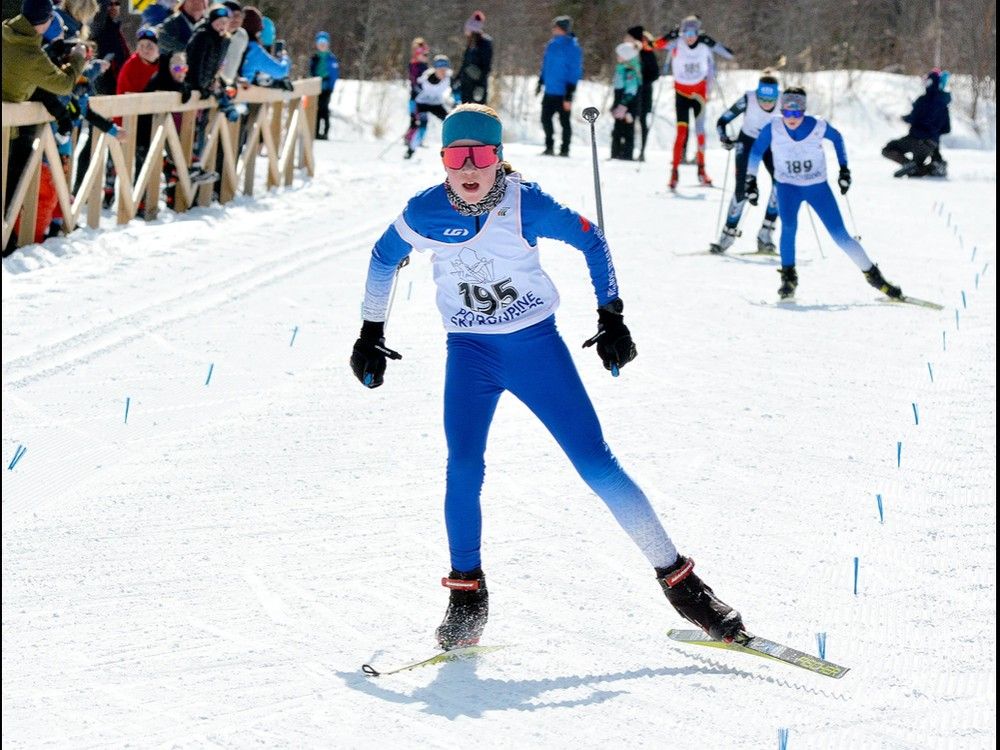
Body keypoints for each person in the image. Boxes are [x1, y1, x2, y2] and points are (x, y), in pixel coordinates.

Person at [350, 103, 747, 650]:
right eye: (456, 156)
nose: (469, 167)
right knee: (462, 468)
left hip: (536, 349)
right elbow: (380, 257)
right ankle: (467, 595)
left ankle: (683, 584)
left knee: (596, 464)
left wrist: (612, 315)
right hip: (469, 354)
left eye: (482, 154)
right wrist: (370, 331)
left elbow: (592, 239)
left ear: (499, 158)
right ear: (442, 160)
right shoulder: (422, 212)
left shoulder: (525, 204)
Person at [746, 87, 904, 301]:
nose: (791, 118)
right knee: (789, 228)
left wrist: (844, 170)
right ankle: (788, 278)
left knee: (840, 235)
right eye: (787, 113)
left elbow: (838, 139)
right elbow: (755, 152)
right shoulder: (773, 127)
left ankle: (875, 278)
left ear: (804, 111)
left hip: (817, 188)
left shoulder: (817, 126)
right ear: (781, 110)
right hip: (787, 188)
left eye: (797, 113)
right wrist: (750, 181)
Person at [3, 0, 86, 255]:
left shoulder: (6, 32)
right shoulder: (30, 54)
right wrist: (77, 61)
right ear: (46, 21)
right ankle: (6, 242)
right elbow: (63, 85)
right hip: (9, 130)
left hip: (9, 122)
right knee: (10, 187)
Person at [656, 15, 733, 188]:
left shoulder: (704, 45)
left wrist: (712, 42)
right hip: (681, 94)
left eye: (693, 33)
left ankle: (702, 171)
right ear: (681, 33)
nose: (690, 36)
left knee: (700, 132)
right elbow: (654, 46)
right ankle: (674, 173)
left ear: (698, 33)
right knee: (681, 134)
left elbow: (729, 54)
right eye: (686, 32)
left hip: (699, 94)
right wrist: (670, 36)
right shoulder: (677, 43)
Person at [710, 72, 781, 254]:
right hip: (747, 143)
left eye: (770, 100)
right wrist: (724, 138)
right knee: (743, 188)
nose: (766, 103)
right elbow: (722, 121)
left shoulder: (784, 101)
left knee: (781, 185)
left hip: (771, 145)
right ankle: (727, 235)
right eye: (762, 99)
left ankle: (765, 235)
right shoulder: (748, 99)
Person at [882, 68, 951, 178]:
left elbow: (912, 118)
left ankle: (908, 164)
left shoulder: (922, 101)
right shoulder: (944, 105)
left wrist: (904, 118)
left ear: (929, 83)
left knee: (887, 149)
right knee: (916, 169)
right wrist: (934, 133)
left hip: (915, 140)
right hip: (932, 145)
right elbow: (947, 129)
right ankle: (933, 167)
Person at [537, 15, 582, 157]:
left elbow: (575, 70)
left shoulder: (573, 47)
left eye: (556, 27)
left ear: (563, 29)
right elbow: (545, 65)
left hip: (563, 92)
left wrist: (570, 92)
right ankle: (549, 146)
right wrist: (540, 81)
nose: (553, 29)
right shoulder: (551, 45)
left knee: (564, 121)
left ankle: (565, 148)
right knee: (545, 118)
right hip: (550, 90)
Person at [403, 54, 451, 159]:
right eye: (440, 69)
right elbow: (414, 92)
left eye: (445, 69)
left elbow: (451, 91)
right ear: (435, 69)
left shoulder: (447, 79)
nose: (443, 72)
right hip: (422, 104)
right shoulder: (425, 78)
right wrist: (413, 112)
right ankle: (410, 150)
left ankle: (453, 148)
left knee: (450, 121)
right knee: (422, 127)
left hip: (436, 104)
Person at [626, 25, 660, 161]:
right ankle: (627, 150)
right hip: (632, 91)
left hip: (644, 91)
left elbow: (655, 73)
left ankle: (642, 151)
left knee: (642, 121)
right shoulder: (629, 52)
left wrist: (643, 81)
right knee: (630, 119)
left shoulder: (647, 52)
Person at [239, 6, 288, 88]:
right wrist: (285, 58)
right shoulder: (253, 50)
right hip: (241, 96)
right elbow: (280, 71)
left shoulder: (230, 41)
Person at [610, 41, 641, 160]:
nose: (617, 57)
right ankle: (615, 153)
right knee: (617, 130)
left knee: (628, 130)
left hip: (628, 106)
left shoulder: (630, 71)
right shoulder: (621, 68)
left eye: (619, 55)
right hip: (620, 103)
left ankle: (627, 154)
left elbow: (631, 90)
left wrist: (623, 106)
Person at [90, 0, 129, 95]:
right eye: (109, 4)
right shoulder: (100, 29)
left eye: (117, 3)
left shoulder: (114, 28)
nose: (114, 7)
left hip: (120, 84)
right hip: (108, 87)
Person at [454, 10, 491, 105]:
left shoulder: (485, 43)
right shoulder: (470, 44)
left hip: (477, 86)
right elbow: (465, 64)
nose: (465, 31)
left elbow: (486, 66)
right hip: (466, 86)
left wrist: (481, 85)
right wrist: (457, 78)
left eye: (467, 28)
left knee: (478, 113)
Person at [309, 30, 339, 139]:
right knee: (316, 110)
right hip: (315, 87)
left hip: (326, 88)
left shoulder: (331, 58)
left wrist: (331, 87)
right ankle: (315, 131)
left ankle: (325, 132)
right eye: (320, 42)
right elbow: (310, 72)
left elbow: (334, 74)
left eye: (324, 42)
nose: (322, 44)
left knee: (324, 109)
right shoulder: (314, 58)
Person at [218, 1, 246, 86]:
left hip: (228, 88)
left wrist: (237, 78)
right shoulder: (215, 34)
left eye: (239, 16)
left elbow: (234, 63)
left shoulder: (243, 36)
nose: (236, 19)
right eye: (233, 15)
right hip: (212, 85)